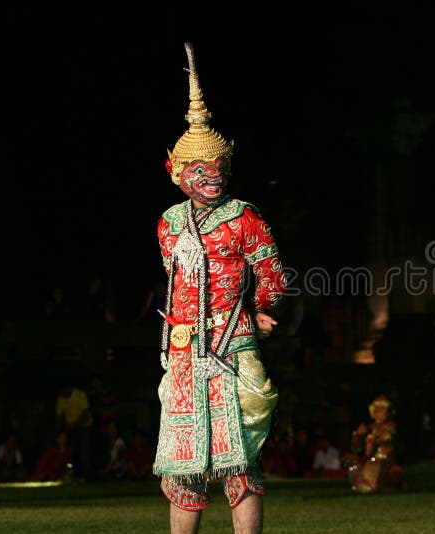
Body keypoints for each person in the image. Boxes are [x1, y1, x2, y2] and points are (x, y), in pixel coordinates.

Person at [153, 42, 286, 534]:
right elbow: (175, 282)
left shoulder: (245, 217)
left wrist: (261, 308)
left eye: (219, 169)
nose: (212, 178)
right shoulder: (168, 224)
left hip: (233, 341)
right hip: (185, 348)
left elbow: (272, 274)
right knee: (183, 461)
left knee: (238, 458)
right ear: (178, 173)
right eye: (200, 171)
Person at [346, 395, 406, 493]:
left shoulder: (390, 426)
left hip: (386, 459)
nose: (384, 413)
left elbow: (388, 439)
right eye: (380, 410)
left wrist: (374, 439)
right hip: (372, 460)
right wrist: (358, 435)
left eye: (385, 410)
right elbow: (359, 448)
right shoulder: (370, 427)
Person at [56, 384, 94, 479]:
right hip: (71, 429)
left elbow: (85, 414)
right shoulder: (61, 398)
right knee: (73, 452)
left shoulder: (80, 395)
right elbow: (59, 416)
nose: (62, 394)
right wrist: (58, 432)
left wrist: (72, 425)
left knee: (84, 451)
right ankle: (75, 475)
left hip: (85, 426)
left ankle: (88, 476)